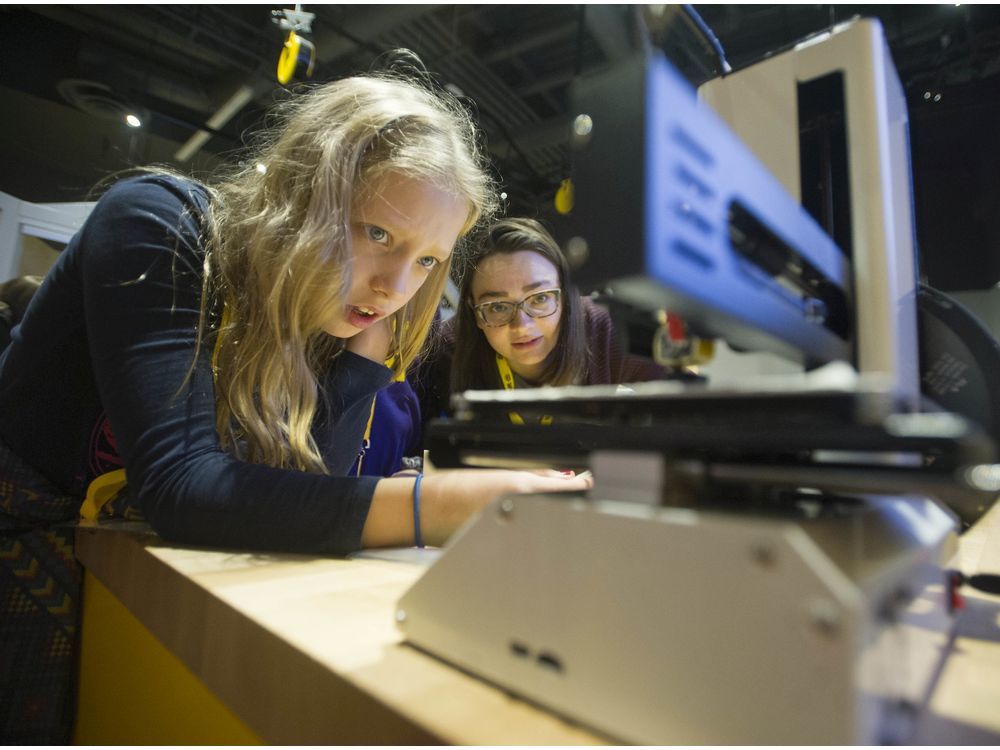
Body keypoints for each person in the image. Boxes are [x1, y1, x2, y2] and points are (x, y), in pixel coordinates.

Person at [0, 72, 589, 743]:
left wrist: (362, 362)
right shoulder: (158, 220)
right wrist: (444, 504)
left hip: (115, 593)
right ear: (302, 192)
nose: (395, 286)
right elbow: (183, 487)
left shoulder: (331, 319)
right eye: (377, 232)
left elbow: (307, 492)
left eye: (428, 260)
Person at [413, 217, 672, 429]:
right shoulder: (448, 349)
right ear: (473, 312)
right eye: (498, 307)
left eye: (540, 299)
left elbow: (678, 401)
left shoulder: (608, 330)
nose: (522, 326)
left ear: (567, 295)